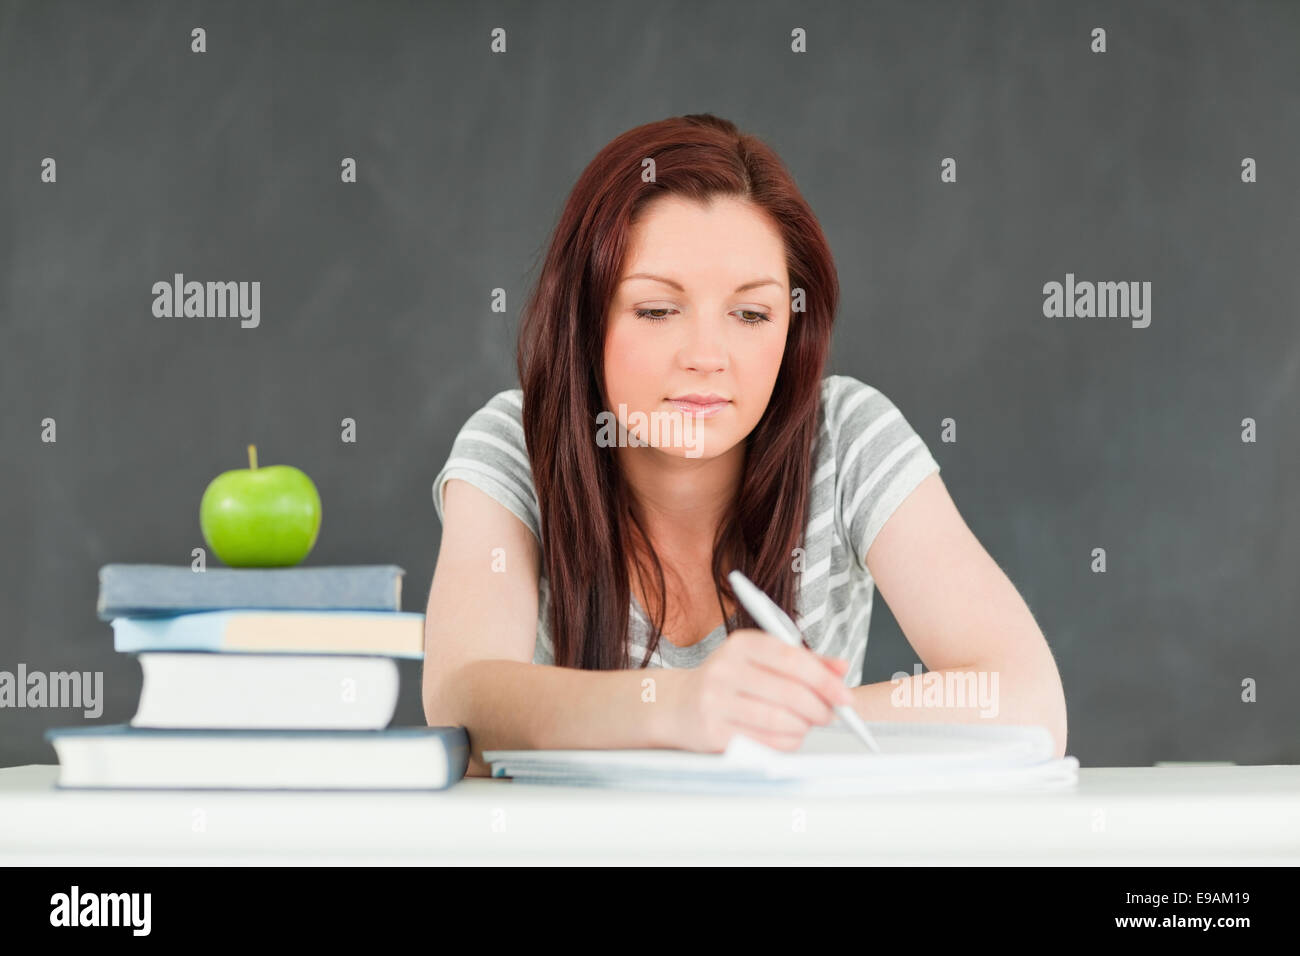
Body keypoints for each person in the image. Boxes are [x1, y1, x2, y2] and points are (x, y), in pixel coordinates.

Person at [424, 113, 1066, 777]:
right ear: (585, 321)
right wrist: (676, 708)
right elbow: (464, 703)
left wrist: (761, 719)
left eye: (752, 314)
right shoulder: (514, 445)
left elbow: (1026, 701)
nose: (708, 357)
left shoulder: (845, 436)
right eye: (656, 310)